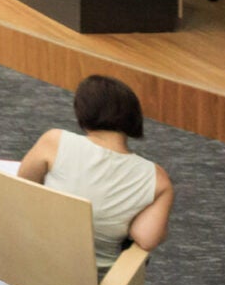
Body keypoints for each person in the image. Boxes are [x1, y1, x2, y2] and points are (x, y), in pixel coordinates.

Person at [18, 75, 174, 271]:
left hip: (31, 268)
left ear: (83, 112)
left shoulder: (55, 141)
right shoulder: (157, 179)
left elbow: (22, 186)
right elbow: (147, 238)